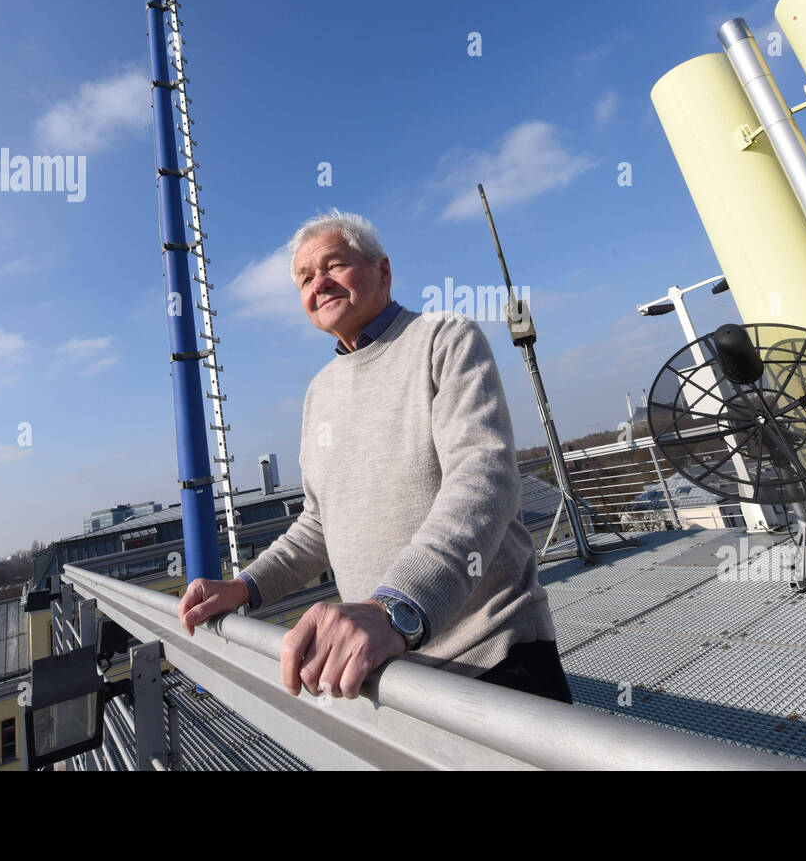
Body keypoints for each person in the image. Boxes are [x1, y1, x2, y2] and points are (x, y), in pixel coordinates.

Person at [176, 209, 573, 705]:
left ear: (383, 271)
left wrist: (396, 609)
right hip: (385, 673)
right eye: (304, 278)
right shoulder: (318, 393)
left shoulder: (443, 338)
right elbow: (320, 523)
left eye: (333, 265)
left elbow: (484, 480)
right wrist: (246, 586)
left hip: (490, 656)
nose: (318, 284)